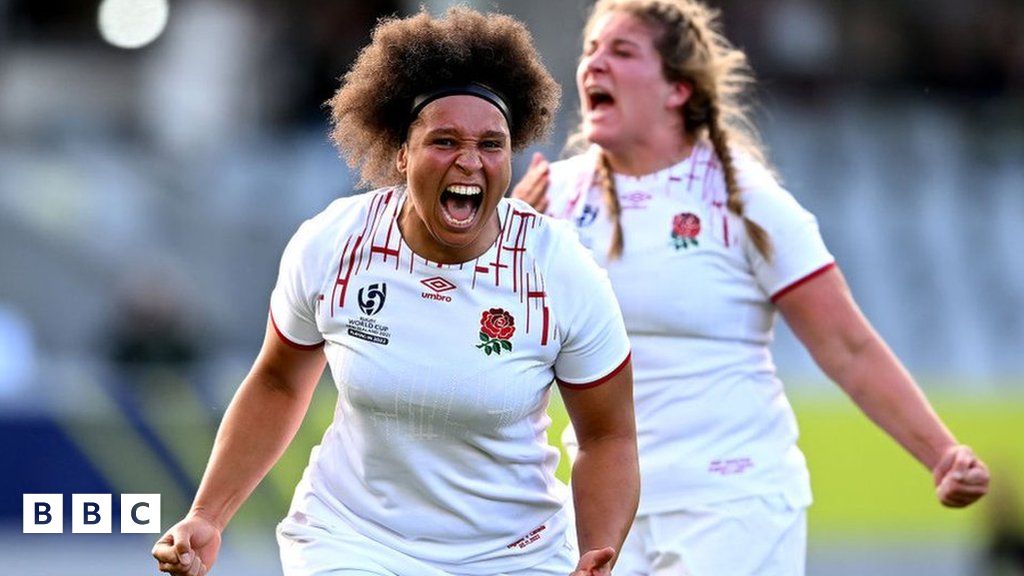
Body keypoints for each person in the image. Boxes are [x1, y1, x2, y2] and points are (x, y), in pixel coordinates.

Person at [153, 7, 639, 576]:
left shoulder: (560, 271)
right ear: (401, 153)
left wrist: (596, 552)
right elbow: (279, 382)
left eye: (491, 144)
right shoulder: (335, 243)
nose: (469, 161)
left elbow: (608, 436)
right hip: (352, 540)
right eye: (445, 141)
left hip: (514, 555)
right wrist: (208, 516)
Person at [513, 0, 990, 574]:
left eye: (622, 51)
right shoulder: (548, 200)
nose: (594, 63)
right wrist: (505, 248)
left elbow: (847, 346)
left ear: (678, 90)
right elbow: (493, 339)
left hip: (733, 505)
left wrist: (942, 454)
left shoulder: (744, 200)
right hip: (605, 513)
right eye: (591, 49)